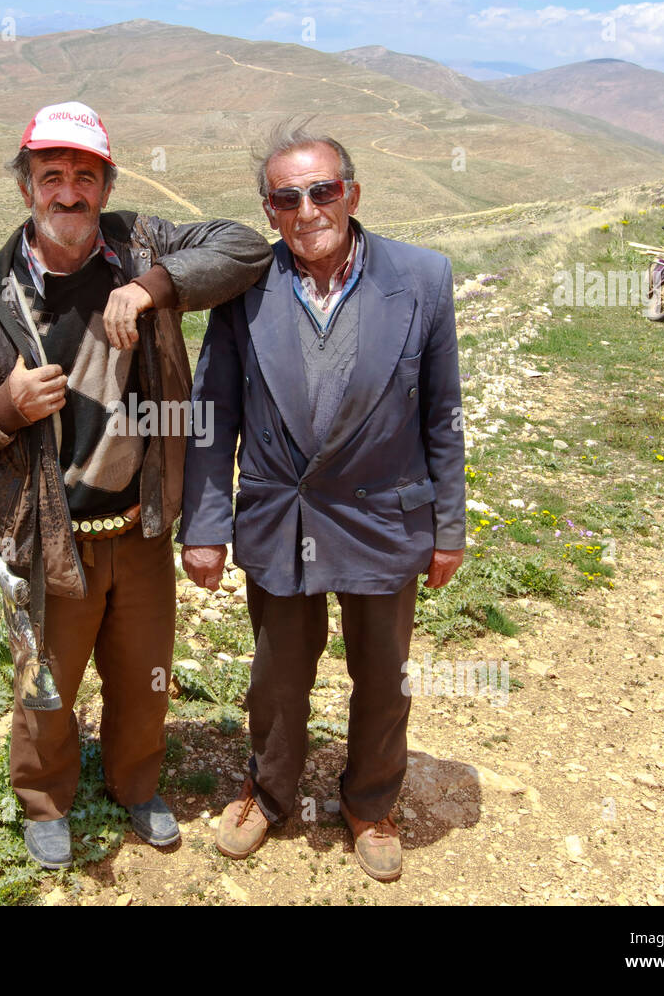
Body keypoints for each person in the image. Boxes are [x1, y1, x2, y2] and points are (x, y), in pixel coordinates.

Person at [0, 101, 271, 869]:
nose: (69, 192)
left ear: (105, 184)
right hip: (45, 537)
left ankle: (137, 784)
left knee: (145, 675)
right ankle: (45, 798)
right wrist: (0, 408)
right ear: (27, 186)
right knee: (45, 685)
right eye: (52, 175)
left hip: (139, 525)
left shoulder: (138, 246)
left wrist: (154, 288)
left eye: (85, 176)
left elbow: (246, 248)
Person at [178, 124, 466, 882]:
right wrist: (204, 526)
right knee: (276, 674)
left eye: (322, 191)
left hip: (383, 515)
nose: (307, 210)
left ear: (352, 194)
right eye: (286, 197)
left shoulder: (424, 279)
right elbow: (213, 421)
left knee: (382, 672)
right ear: (269, 211)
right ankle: (268, 793)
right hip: (283, 518)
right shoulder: (242, 294)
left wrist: (449, 527)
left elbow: (443, 415)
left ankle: (371, 802)